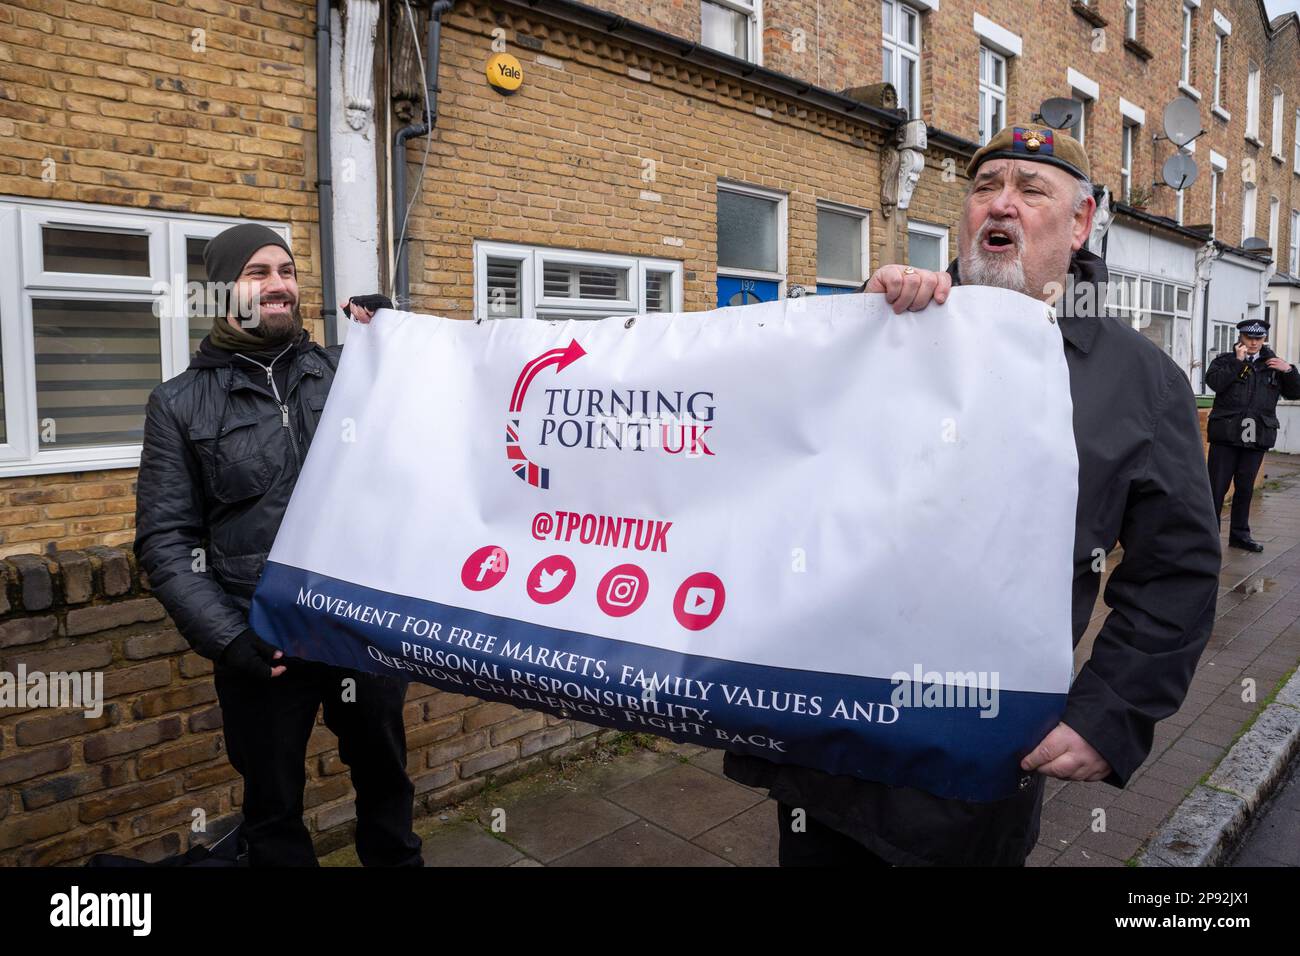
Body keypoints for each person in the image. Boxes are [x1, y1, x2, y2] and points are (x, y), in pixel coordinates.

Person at [725, 123, 1222, 865]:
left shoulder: (1141, 382)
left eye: (1030, 190)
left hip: (974, 771)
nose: (1001, 204)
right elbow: (776, 468)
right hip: (828, 751)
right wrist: (845, 338)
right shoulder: (890, 328)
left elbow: (1176, 572)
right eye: (985, 187)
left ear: (1081, 221)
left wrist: (1108, 715)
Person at [134, 223, 422, 867]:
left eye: (287, 271)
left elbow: (426, 422)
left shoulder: (345, 372)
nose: (279, 284)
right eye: (258, 272)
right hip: (262, 642)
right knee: (273, 810)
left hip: (358, 630)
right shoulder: (179, 405)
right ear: (222, 292)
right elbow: (166, 541)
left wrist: (397, 339)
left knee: (386, 784)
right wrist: (231, 640)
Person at [1204, 318, 1300, 551]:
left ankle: (1239, 535)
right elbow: (1214, 383)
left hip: (1256, 436)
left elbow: (1295, 393)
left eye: (1259, 338)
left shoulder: (1274, 365)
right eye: (1249, 337)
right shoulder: (1224, 361)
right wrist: (1237, 363)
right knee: (1216, 488)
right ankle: (1208, 538)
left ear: (1264, 338)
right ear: (1241, 338)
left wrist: (1289, 371)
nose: (1254, 342)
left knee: (1245, 487)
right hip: (1226, 435)